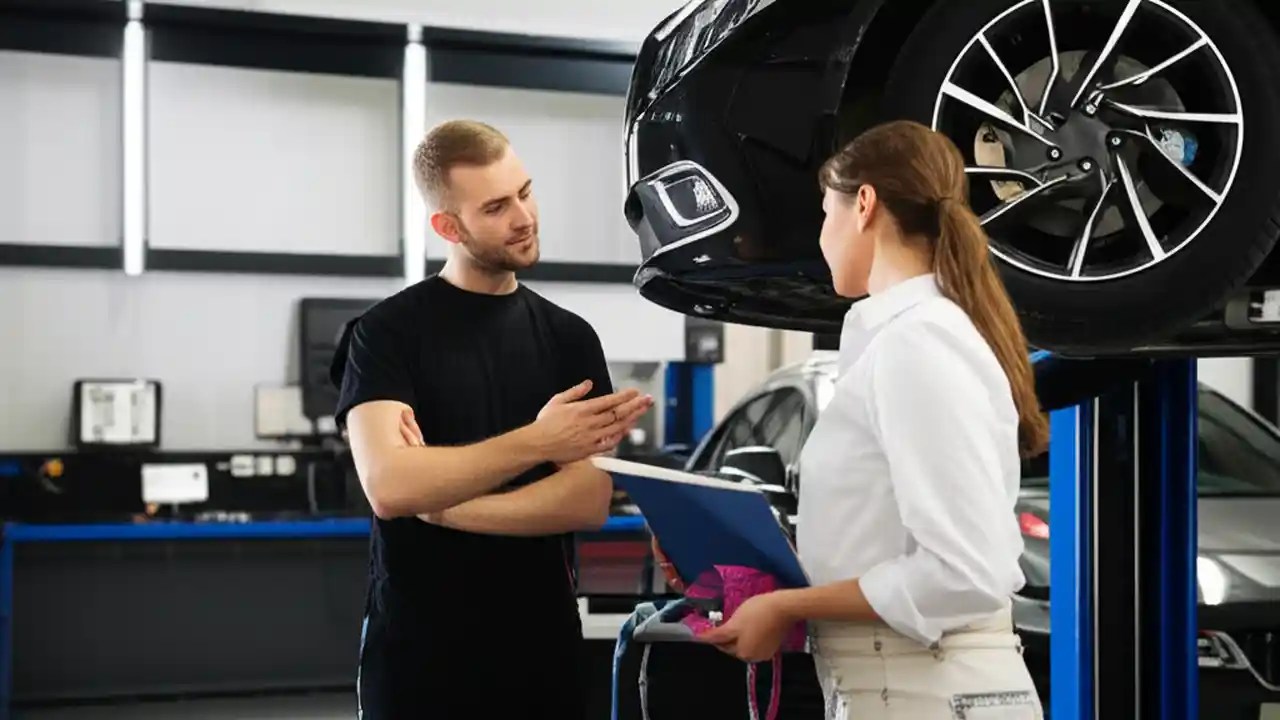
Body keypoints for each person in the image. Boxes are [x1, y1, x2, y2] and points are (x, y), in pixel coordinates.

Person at [682, 120, 1051, 718]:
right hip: (901, 687)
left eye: (824, 214)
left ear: (864, 204)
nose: (822, 237)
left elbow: (965, 572)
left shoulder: (919, 342)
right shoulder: (898, 338)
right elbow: (880, 548)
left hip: (928, 691)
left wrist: (790, 607)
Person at [332, 119, 653, 719]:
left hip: (542, 652)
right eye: (498, 207)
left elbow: (587, 499)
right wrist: (540, 442)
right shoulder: (384, 336)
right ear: (448, 227)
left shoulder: (569, 339)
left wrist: (444, 504)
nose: (524, 217)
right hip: (419, 661)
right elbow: (392, 485)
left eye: (526, 192)